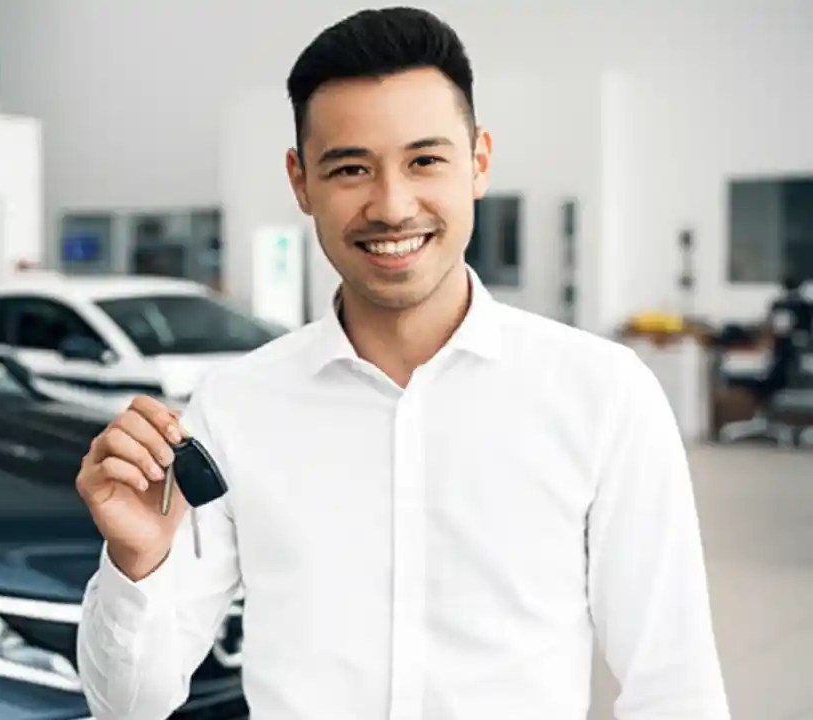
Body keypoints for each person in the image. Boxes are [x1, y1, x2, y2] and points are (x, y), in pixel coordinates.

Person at [74, 7, 730, 720]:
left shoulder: (602, 394)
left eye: (425, 160)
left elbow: (675, 685)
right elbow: (130, 706)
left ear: (478, 162)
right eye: (350, 168)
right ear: (300, 183)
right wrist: (137, 562)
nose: (391, 205)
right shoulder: (234, 406)